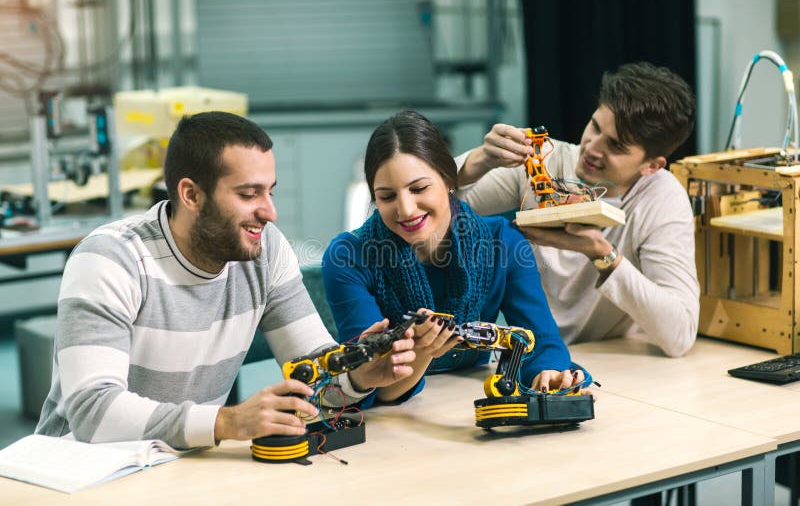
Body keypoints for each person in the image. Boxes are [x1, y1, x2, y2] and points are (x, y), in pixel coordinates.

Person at [36, 111, 416, 449]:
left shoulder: (266, 250)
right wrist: (227, 421)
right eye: (249, 194)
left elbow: (315, 376)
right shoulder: (110, 258)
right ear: (191, 195)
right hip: (80, 474)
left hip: (181, 465)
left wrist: (358, 376)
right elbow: (93, 413)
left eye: (270, 191)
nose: (270, 212)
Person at [322, 110, 581, 408]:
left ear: (449, 179)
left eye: (419, 188)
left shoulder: (503, 244)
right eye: (387, 197)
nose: (405, 209)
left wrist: (549, 372)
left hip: (464, 402)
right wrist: (422, 352)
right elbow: (370, 383)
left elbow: (540, 341)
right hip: (394, 422)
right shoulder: (347, 257)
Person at [455, 62, 699, 357]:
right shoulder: (545, 159)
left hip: (603, 360)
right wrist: (480, 160)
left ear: (652, 165)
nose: (593, 148)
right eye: (595, 127)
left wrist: (601, 254)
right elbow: (427, 202)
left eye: (616, 145)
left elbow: (680, 334)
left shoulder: (662, 198)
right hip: (526, 353)